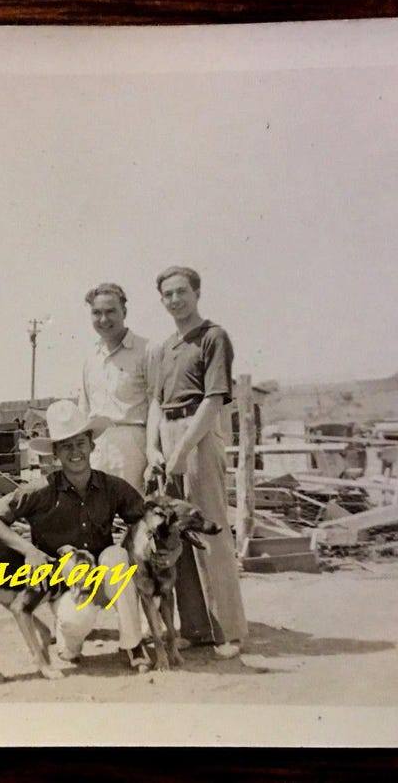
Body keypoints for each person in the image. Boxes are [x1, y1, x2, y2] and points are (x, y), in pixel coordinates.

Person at [0, 400, 151, 670]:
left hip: (105, 574)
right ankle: (67, 641)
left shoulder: (112, 487)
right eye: (66, 446)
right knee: (75, 623)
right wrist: (29, 551)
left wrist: (140, 552)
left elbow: (143, 518)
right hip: (65, 583)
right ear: (56, 453)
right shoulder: (40, 491)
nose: (75, 452)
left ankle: (133, 644)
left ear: (92, 445)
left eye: (80, 443)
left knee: (117, 556)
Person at [145, 265, 248, 659]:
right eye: (167, 294)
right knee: (174, 533)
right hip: (168, 436)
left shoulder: (213, 337)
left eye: (181, 292)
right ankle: (195, 627)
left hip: (198, 436)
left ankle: (230, 633)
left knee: (210, 530)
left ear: (197, 292)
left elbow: (212, 399)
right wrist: (155, 448)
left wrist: (182, 449)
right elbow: (156, 402)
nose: (174, 300)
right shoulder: (164, 347)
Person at [78, 282, 153, 494]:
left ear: (124, 312)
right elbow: (84, 410)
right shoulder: (90, 357)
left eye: (111, 311)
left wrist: (153, 455)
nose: (104, 319)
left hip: (133, 448)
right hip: (97, 448)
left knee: (135, 513)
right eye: (96, 313)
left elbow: (157, 405)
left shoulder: (146, 350)